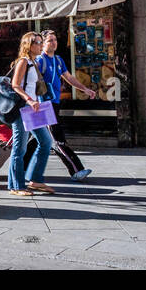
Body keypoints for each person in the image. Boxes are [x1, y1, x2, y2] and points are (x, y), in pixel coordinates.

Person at [25, 30, 95, 181]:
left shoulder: (58, 60)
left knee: (36, 139)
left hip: (54, 103)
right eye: (50, 40)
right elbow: (29, 80)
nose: (54, 43)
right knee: (57, 138)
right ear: (43, 44)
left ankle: (21, 168)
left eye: (55, 40)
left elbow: (69, 77)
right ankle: (76, 170)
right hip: (43, 105)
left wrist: (85, 89)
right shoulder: (40, 61)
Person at [7, 31, 54, 197]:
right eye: (38, 43)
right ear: (29, 45)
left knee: (46, 141)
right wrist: (29, 100)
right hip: (23, 109)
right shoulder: (23, 62)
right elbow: (15, 85)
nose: (41, 45)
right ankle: (16, 186)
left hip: (34, 109)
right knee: (20, 148)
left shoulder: (34, 62)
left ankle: (35, 180)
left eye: (41, 42)